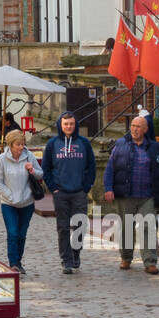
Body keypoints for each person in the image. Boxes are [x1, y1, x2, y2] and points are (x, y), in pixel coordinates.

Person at [103, 114, 159, 273]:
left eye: (138, 126)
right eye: (133, 126)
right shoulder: (120, 144)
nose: (134, 129)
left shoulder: (155, 148)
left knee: (148, 226)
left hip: (148, 195)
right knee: (126, 227)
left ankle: (150, 261)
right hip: (125, 195)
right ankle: (126, 258)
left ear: (146, 129)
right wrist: (108, 188)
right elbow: (110, 169)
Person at [41, 111, 97, 274]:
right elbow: (46, 168)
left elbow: (91, 167)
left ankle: (75, 254)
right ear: (60, 125)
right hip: (61, 193)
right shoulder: (52, 144)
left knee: (80, 225)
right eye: (66, 124)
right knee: (63, 227)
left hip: (79, 192)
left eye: (71, 124)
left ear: (75, 125)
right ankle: (66, 260)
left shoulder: (84, 143)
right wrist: (53, 188)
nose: (69, 127)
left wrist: (86, 187)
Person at [0, 129, 44, 274]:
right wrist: (10, 195)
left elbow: (41, 173)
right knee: (13, 232)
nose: (21, 147)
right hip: (8, 203)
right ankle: (13, 263)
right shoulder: (2, 159)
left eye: (23, 144)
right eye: (18, 145)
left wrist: (32, 170)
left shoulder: (29, 156)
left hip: (27, 202)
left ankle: (18, 261)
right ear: (10, 145)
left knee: (22, 234)